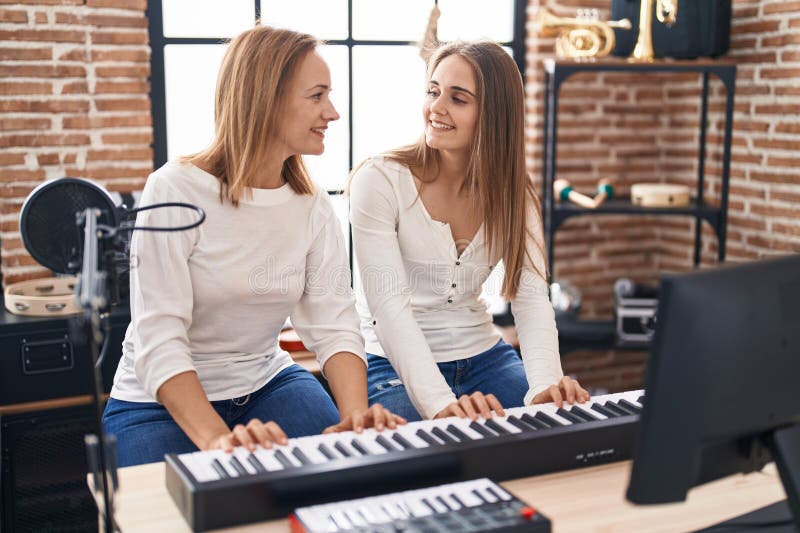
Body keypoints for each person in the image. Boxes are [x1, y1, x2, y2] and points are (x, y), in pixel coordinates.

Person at [104, 25, 403, 467]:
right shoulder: (174, 189)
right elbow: (158, 339)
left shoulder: (312, 204)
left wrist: (356, 417)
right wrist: (216, 441)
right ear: (267, 97)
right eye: (317, 96)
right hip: (155, 405)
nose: (333, 112)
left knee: (345, 471)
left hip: (268, 385)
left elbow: (334, 321)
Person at [348, 40, 590, 423]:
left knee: (550, 428)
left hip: (485, 358)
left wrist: (546, 384)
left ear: (493, 114)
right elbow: (389, 310)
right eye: (433, 91)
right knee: (426, 458)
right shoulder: (378, 180)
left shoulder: (515, 191)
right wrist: (440, 404)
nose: (436, 108)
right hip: (389, 363)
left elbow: (530, 297)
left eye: (458, 99)